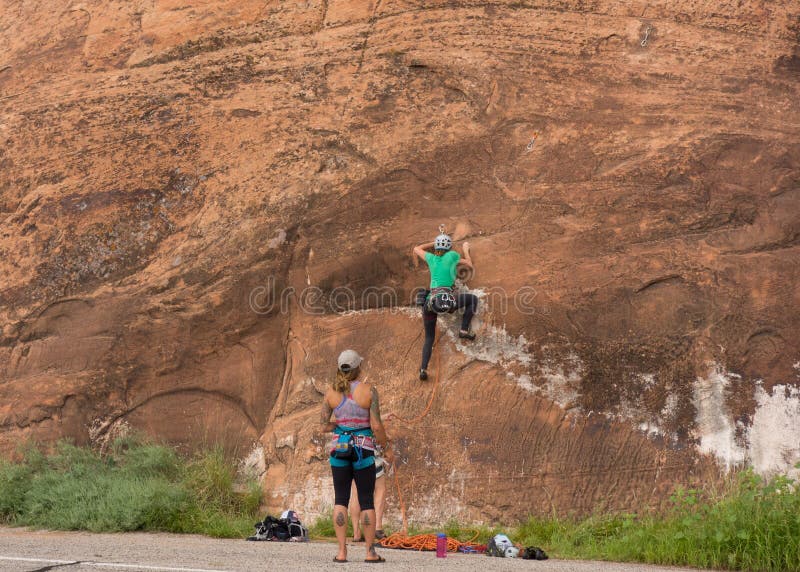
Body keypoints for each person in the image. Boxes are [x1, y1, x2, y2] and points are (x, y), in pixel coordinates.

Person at [321, 349, 395, 563]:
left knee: (341, 499)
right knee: (366, 500)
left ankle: (342, 552)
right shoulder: (369, 391)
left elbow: (322, 426)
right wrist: (387, 446)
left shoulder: (330, 393)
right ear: (358, 368)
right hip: (363, 451)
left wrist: (342, 425)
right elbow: (376, 426)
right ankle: (370, 552)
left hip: (339, 450)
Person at [413, 232, 478, 381]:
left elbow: (416, 249)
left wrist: (433, 243)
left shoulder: (431, 258)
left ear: (436, 248)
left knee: (429, 337)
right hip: (448, 302)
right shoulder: (453, 256)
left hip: (431, 303)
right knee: (472, 300)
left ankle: (423, 369)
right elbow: (468, 264)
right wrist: (466, 249)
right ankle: (463, 329)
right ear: (449, 247)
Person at [349, 452, 388, 542]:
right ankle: (377, 528)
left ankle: (356, 533)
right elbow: (379, 438)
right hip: (368, 453)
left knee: (356, 493)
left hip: (352, 453)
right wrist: (387, 446)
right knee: (380, 488)